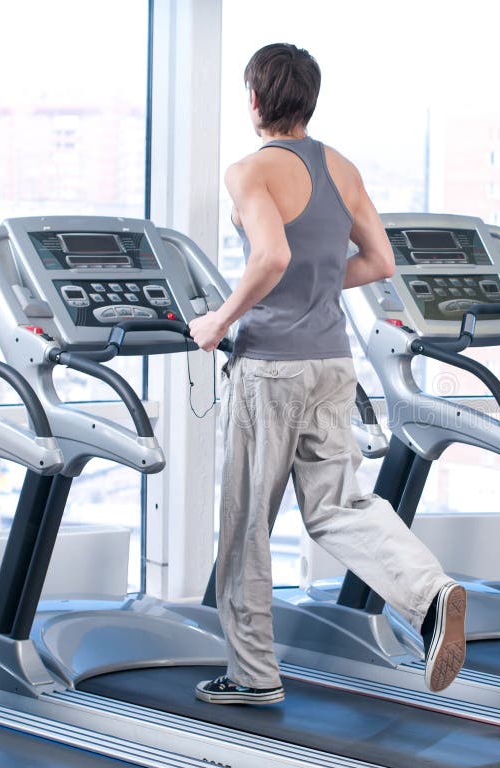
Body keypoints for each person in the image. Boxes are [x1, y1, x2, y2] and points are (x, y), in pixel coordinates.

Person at [188, 43, 466, 704]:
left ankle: (253, 675)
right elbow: (381, 261)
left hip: (272, 369)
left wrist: (219, 320)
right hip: (332, 362)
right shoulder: (340, 166)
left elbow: (272, 255)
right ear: (310, 101)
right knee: (339, 506)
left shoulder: (249, 171)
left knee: (248, 523)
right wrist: (314, 286)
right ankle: (430, 593)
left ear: (255, 99)